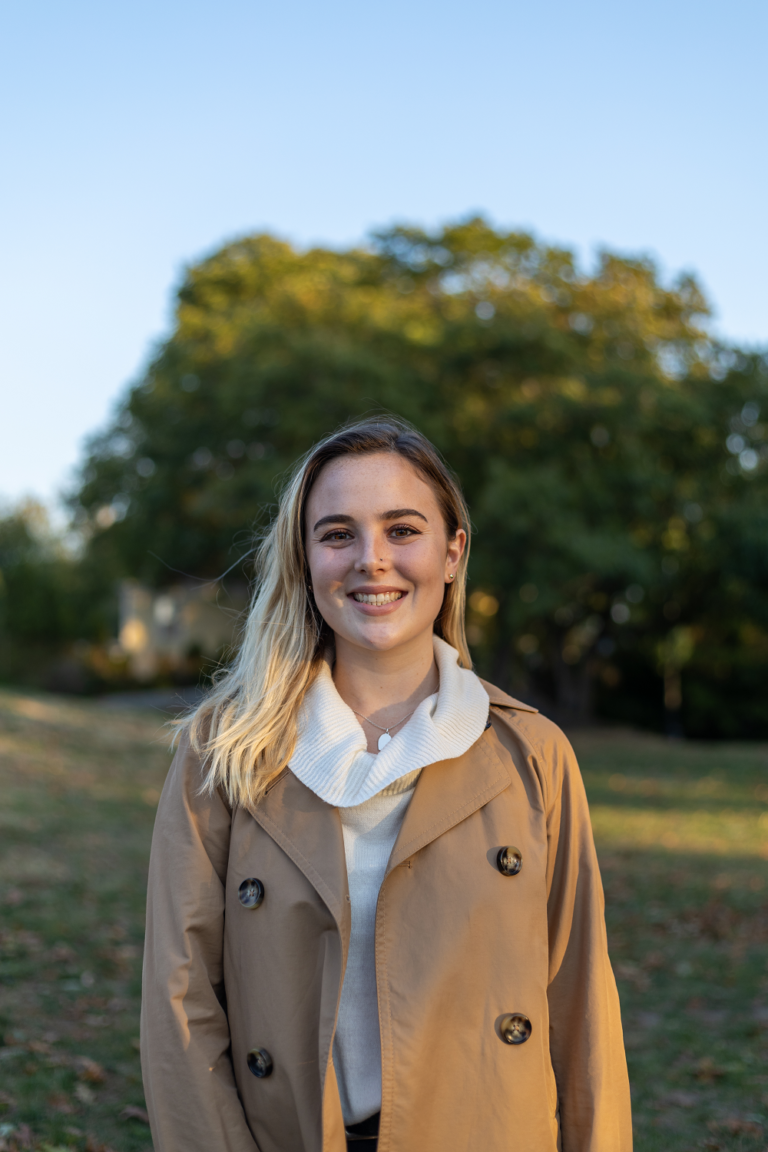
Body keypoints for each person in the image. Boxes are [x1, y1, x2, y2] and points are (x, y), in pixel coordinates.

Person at [140, 416, 633, 1152]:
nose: (372, 560)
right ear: (305, 559)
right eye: (337, 534)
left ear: (452, 552)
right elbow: (180, 1007)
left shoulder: (532, 755)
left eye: (403, 530)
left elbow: (581, 1002)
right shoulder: (224, 751)